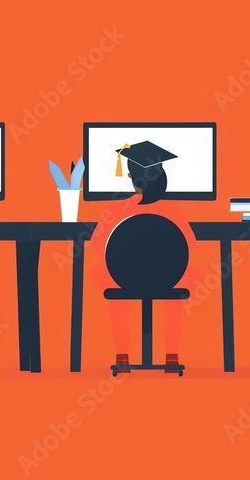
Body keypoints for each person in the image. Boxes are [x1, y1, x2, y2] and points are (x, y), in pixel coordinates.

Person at [90, 140, 200, 372]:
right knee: (184, 279)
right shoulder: (173, 211)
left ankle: (122, 355)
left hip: (125, 278)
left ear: (131, 178)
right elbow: (190, 246)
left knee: (106, 276)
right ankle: (171, 355)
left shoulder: (115, 210)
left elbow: (97, 247)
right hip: (167, 278)